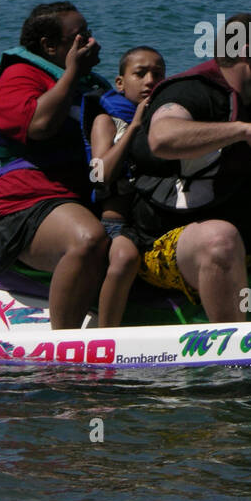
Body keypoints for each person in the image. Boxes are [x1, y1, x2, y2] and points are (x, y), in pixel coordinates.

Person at [129, 13, 251, 325]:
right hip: (169, 244)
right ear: (248, 52)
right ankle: (233, 363)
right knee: (220, 240)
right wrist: (241, 130)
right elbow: (162, 137)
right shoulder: (191, 93)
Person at [0, 2, 110, 330]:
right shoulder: (19, 76)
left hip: (81, 198)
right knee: (88, 238)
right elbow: (38, 125)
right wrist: (71, 74)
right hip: (25, 208)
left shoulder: (92, 85)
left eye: (90, 34)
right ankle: (63, 345)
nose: (90, 43)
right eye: (78, 38)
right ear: (49, 46)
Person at [89, 46, 166, 328]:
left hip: (156, 224)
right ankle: (105, 336)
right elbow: (100, 175)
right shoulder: (107, 121)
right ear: (120, 83)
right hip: (117, 226)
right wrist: (134, 127)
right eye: (140, 73)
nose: (149, 81)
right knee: (125, 257)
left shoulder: (167, 122)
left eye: (157, 74)